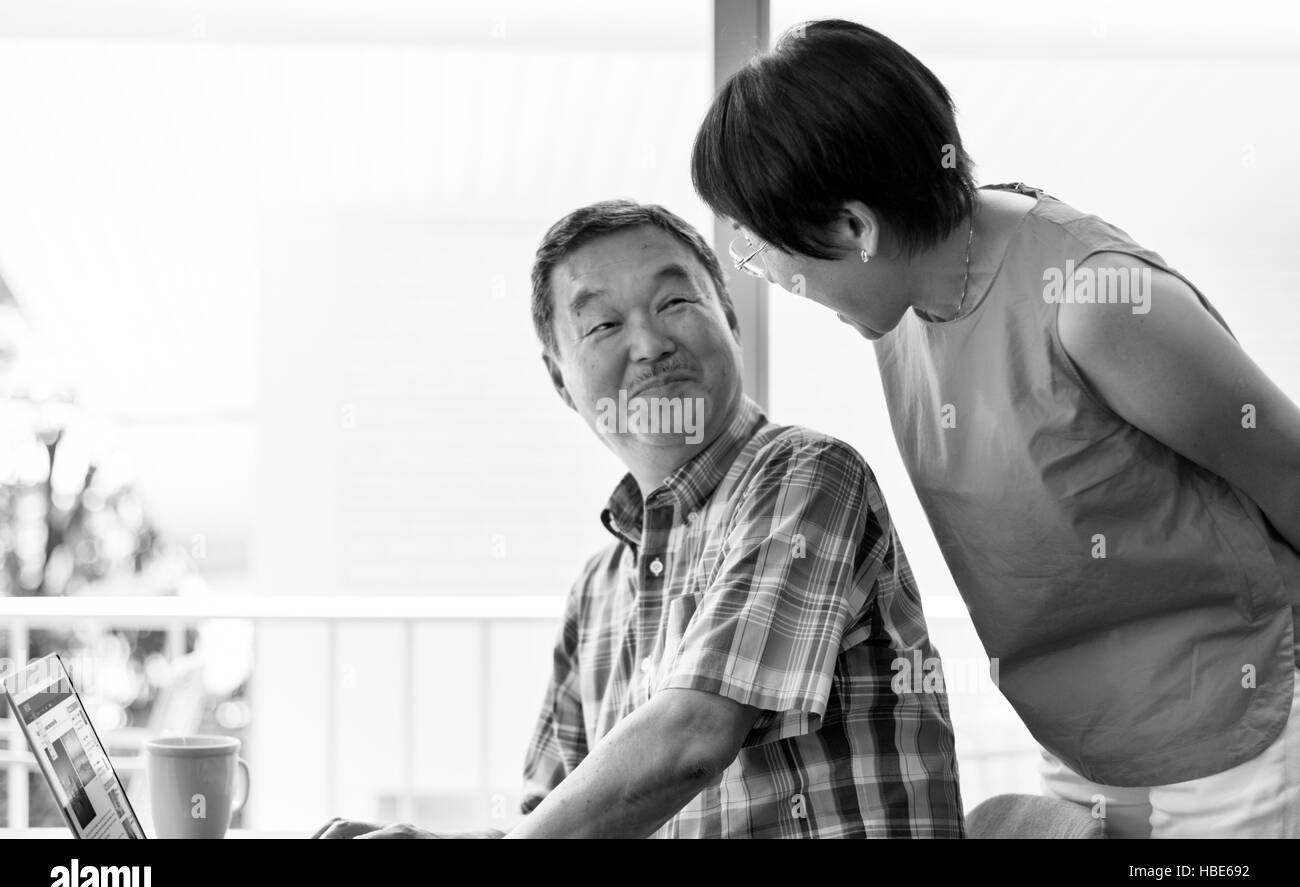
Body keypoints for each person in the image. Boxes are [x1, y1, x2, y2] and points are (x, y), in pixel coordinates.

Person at [689, 18, 1300, 838]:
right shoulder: (901, 302)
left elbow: (1289, 473)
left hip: (1243, 728)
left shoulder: (1092, 303)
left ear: (853, 228)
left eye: (768, 256)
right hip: (1086, 741)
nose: (776, 281)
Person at [314, 201, 965, 838]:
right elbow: (550, 821)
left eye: (675, 303)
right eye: (601, 326)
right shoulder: (596, 590)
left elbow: (694, 737)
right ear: (560, 380)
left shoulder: (805, 475)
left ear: (730, 317)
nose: (651, 345)